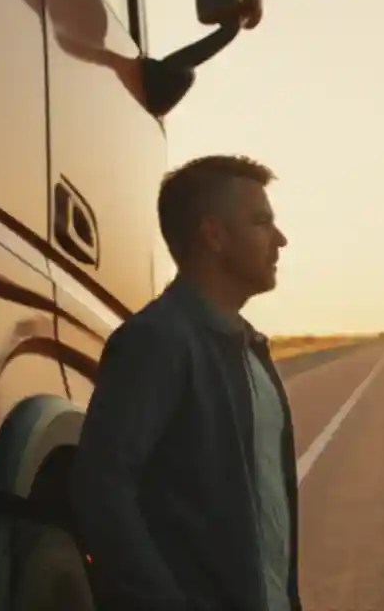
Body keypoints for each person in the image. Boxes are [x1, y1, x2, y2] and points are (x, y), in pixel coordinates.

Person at [69, 154, 300, 611]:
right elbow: (101, 488)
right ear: (213, 235)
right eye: (261, 223)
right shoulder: (156, 341)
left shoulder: (250, 350)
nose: (281, 240)